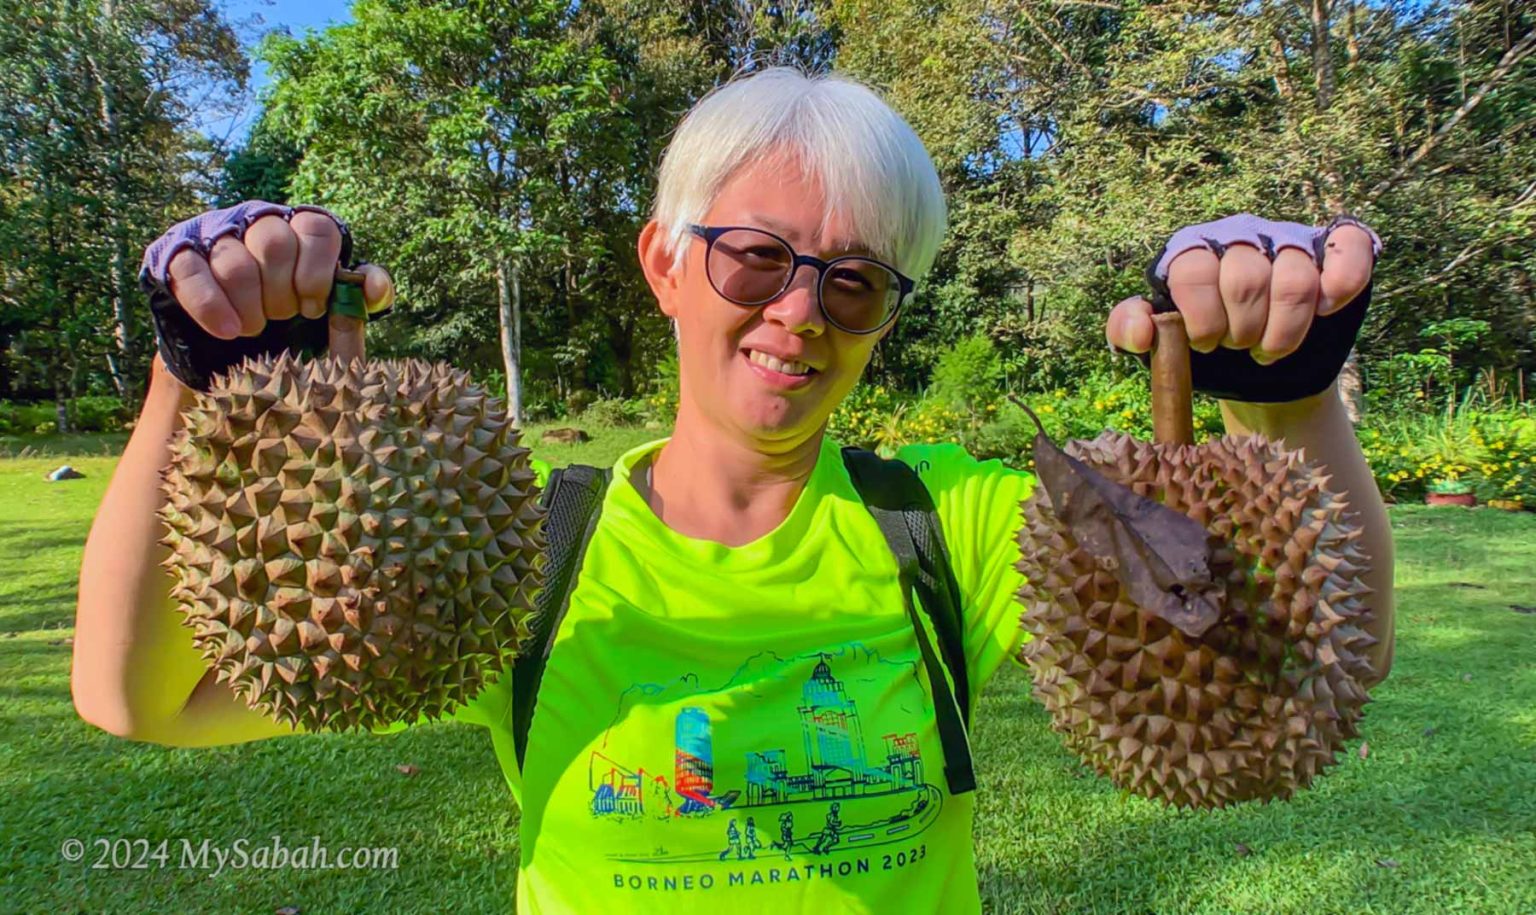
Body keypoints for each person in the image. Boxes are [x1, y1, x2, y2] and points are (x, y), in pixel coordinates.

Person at [72, 66, 1395, 912]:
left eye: (857, 282)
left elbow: (1299, 656)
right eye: (757, 258)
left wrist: (1282, 401)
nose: (801, 313)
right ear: (662, 263)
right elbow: (137, 698)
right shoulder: (512, 550)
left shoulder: (952, 523)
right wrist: (193, 378)